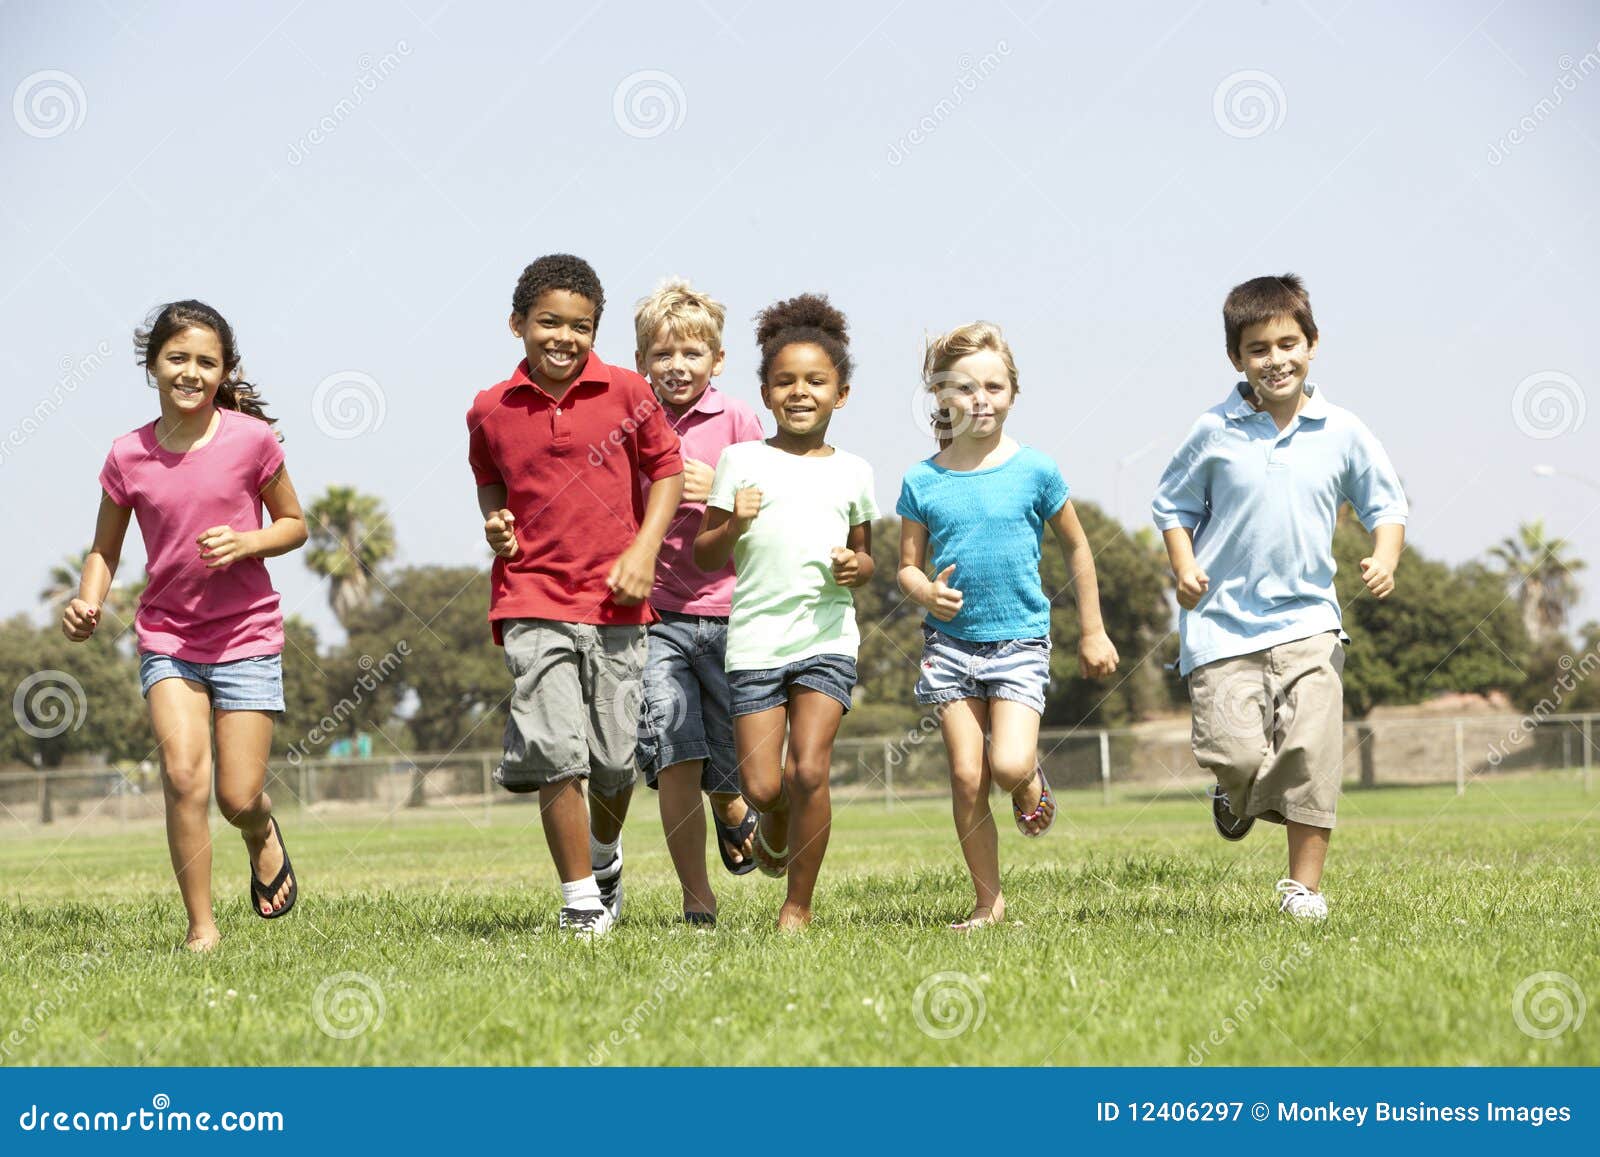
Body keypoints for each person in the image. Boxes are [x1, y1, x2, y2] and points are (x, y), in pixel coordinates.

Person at [1151, 273, 1407, 919]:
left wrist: (1384, 554)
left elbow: (1386, 502)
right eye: (1259, 348)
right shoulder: (1214, 429)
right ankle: (1234, 795)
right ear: (1237, 358)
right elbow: (1172, 504)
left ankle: (1304, 888)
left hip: (1309, 621)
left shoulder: (1342, 430)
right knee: (1232, 752)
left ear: (1313, 343)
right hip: (1220, 628)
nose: (1276, 359)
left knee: (1311, 750)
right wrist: (1183, 568)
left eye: (1288, 342)